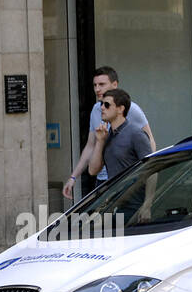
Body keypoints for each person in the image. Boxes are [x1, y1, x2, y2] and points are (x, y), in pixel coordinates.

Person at [62, 66, 157, 200]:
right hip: (103, 179)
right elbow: (90, 146)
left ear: (114, 85)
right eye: (95, 85)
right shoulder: (97, 110)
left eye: (102, 84)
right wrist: (73, 177)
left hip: (126, 180)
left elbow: (149, 142)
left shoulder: (131, 109)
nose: (97, 89)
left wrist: (140, 176)